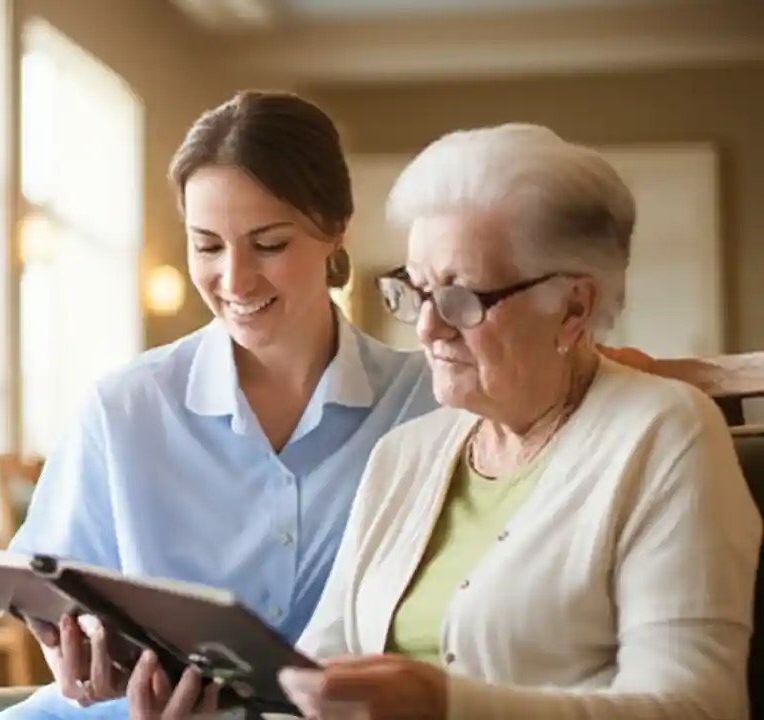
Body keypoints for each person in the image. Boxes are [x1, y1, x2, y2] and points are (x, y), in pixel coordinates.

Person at [0, 93, 655, 720]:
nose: (235, 279)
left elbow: (569, 387)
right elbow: (49, 595)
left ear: (336, 229)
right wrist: (76, 653)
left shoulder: (435, 403)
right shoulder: (125, 407)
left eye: (269, 243)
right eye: (207, 245)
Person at [270, 124, 762, 720]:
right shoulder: (405, 455)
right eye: (417, 290)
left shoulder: (665, 434)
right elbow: (318, 672)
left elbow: (699, 708)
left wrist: (444, 705)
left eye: (462, 297)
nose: (427, 328)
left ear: (574, 307)